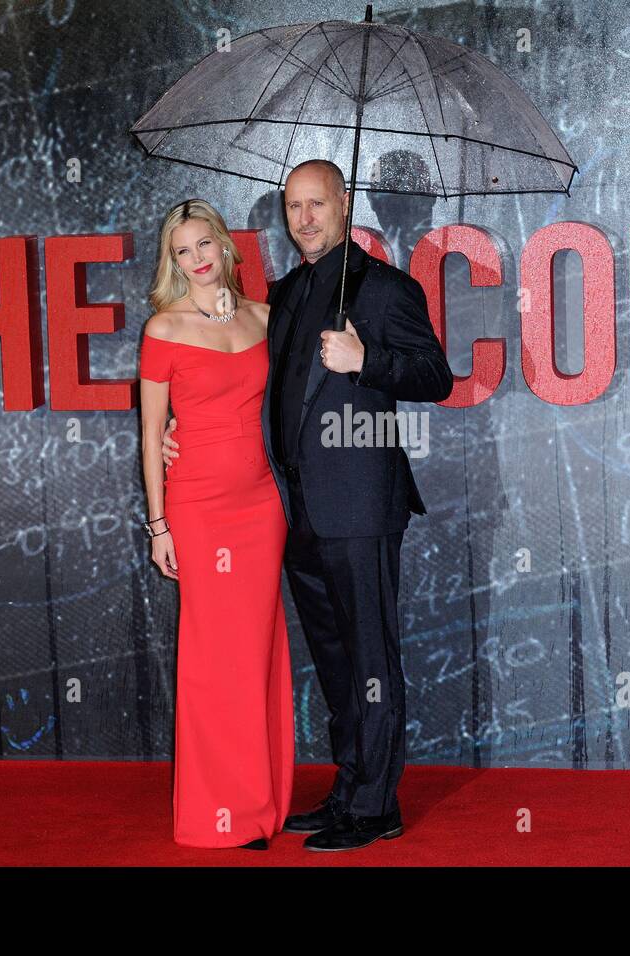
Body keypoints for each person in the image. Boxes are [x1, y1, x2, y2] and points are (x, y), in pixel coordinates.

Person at [163, 160, 453, 851]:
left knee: (371, 661)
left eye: (317, 204)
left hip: (360, 509)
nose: (305, 219)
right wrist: (183, 430)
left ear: (344, 205)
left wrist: (366, 361)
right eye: (294, 207)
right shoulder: (286, 293)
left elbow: (436, 377)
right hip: (291, 514)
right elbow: (249, 385)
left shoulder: (386, 292)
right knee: (333, 661)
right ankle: (349, 787)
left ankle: (378, 804)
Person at [137, 198, 293, 850]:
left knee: (256, 654)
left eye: (204, 245)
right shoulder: (163, 329)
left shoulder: (264, 318)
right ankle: (216, 810)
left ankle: (259, 804)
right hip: (198, 512)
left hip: (263, 508)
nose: (197, 259)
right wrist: (158, 525)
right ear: (172, 262)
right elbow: (150, 436)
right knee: (211, 660)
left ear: (226, 248)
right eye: (183, 251)